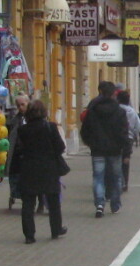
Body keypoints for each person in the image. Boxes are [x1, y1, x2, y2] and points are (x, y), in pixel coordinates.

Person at [9, 98, 68, 243]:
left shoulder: (23, 130)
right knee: (53, 201)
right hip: (49, 169)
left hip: (28, 169)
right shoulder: (50, 127)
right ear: (43, 112)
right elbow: (60, 147)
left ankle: (29, 236)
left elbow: (19, 149)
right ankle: (56, 229)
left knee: (28, 204)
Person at [80, 80, 128, 217]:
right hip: (115, 150)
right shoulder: (119, 111)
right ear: (114, 94)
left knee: (98, 177)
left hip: (97, 149)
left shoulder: (93, 110)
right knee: (116, 177)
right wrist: (123, 147)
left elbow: (85, 130)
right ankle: (115, 204)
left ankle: (100, 204)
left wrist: (90, 143)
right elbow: (123, 131)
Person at [118, 89, 140, 192]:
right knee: (125, 161)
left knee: (116, 160)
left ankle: (117, 181)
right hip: (129, 138)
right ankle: (125, 183)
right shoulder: (132, 111)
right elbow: (138, 125)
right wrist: (135, 134)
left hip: (117, 138)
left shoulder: (116, 109)